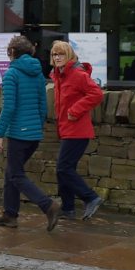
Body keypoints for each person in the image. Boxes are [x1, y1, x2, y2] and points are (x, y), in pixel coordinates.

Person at [0, 35, 60, 230]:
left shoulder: (12, 74)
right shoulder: (38, 73)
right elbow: (42, 106)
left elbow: (9, 107)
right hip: (33, 134)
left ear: (12, 52)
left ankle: (48, 206)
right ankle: (10, 214)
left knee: (16, 175)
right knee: (11, 173)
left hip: (18, 135)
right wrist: (36, 128)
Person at [50, 40, 106, 220]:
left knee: (63, 168)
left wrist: (75, 110)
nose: (57, 57)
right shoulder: (59, 76)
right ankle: (68, 208)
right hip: (67, 129)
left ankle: (91, 197)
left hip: (78, 131)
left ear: (69, 56)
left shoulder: (77, 74)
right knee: (66, 168)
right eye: (54, 54)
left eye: (61, 54)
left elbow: (96, 94)